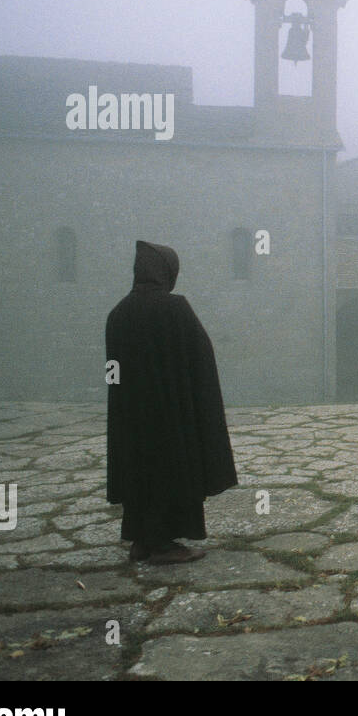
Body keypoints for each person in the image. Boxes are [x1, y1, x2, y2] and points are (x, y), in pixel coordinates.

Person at [105, 240, 237, 564]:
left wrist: (123, 403)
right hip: (170, 417)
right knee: (171, 472)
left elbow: (113, 374)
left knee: (139, 471)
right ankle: (163, 545)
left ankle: (141, 539)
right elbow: (201, 356)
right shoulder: (175, 310)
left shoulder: (117, 315)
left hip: (132, 418)